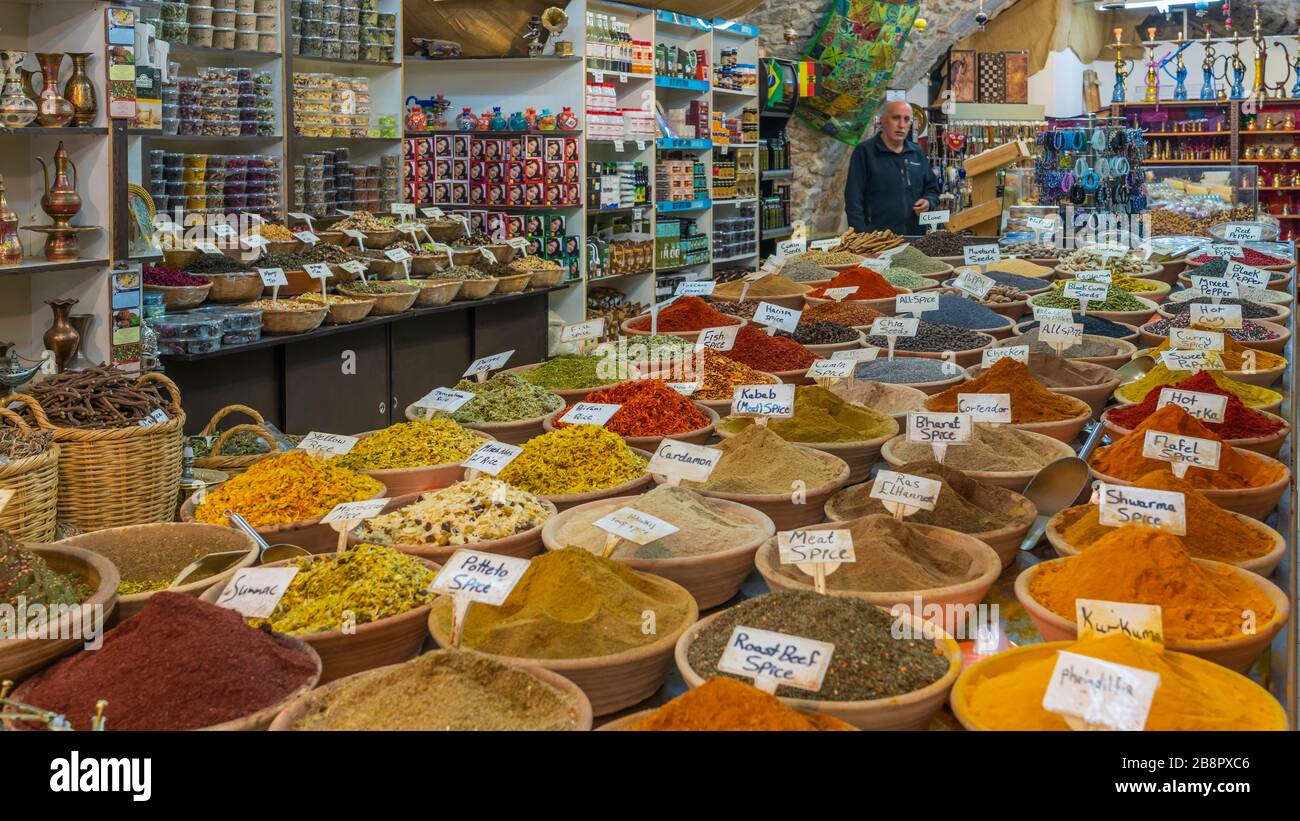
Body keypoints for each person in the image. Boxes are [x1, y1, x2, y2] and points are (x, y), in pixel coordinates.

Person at [844, 100, 940, 234]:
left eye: (906, 119)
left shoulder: (916, 153)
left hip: (914, 238)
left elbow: (932, 189)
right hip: (877, 240)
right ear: (882, 121)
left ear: (911, 123)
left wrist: (928, 201)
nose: (901, 125)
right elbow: (853, 200)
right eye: (896, 118)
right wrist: (861, 238)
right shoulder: (865, 152)